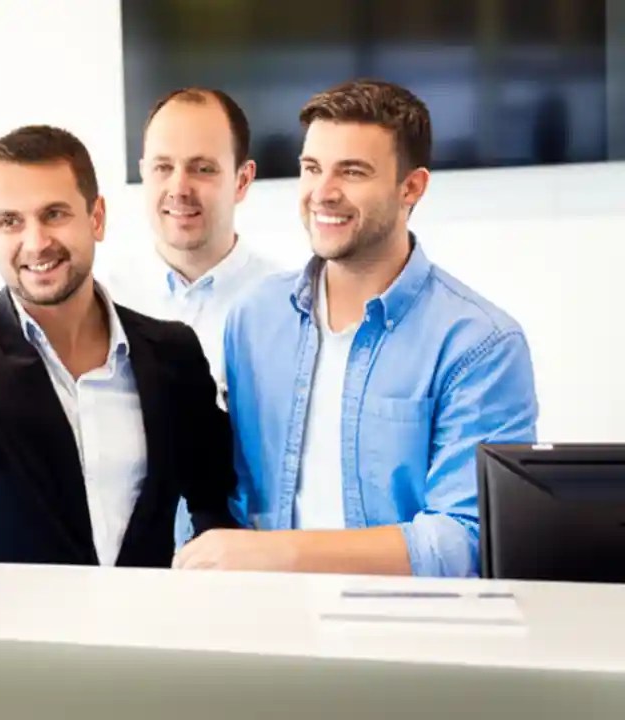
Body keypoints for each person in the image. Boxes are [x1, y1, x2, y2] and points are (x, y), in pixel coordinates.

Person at [174, 79, 539, 577]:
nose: (323, 193)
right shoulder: (254, 318)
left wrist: (280, 553)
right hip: (262, 611)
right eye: (311, 168)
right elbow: (231, 490)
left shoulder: (480, 343)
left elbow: (466, 538)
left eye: (352, 171)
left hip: (405, 621)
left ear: (412, 187)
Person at [0, 125, 237, 567]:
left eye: (54, 214)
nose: (36, 242)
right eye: (10, 222)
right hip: (0, 614)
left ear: (96, 218)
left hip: (145, 612)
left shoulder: (172, 353)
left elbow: (215, 498)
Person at [103, 87, 281, 549]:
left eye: (203, 168)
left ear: (242, 180)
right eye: (163, 167)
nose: (179, 187)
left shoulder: (289, 307)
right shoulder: (99, 304)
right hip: (129, 574)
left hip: (253, 565)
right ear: (144, 172)